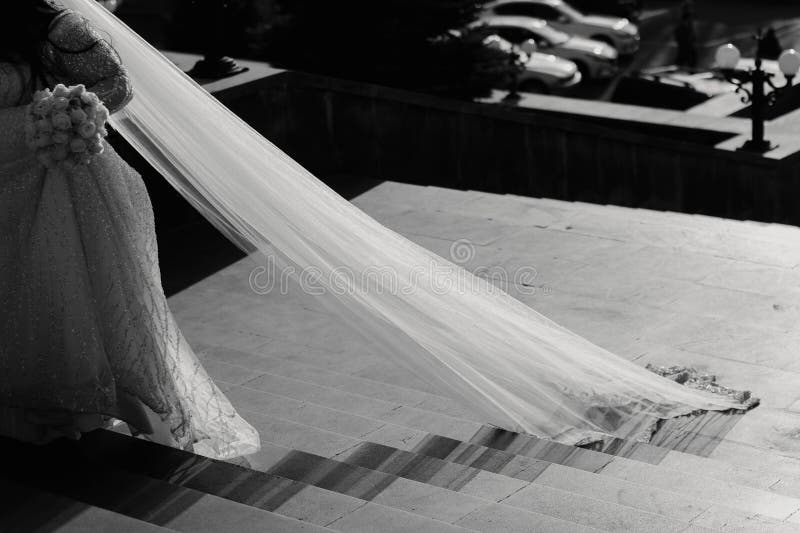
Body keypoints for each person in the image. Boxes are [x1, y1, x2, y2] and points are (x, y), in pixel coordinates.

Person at [2, 0, 756, 456]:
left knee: (98, 302)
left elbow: (118, 93)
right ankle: (45, 402)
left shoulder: (62, 26)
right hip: (14, 187)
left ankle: (102, 406)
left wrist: (63, 114)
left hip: (71, 186)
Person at [0, 0, 259, 459]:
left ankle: (79, 402)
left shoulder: (60, 27)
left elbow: (117, 83)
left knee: (64, 288)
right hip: (7, 179)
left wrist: (70, 113)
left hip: (59, 176)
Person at [674, 0, 697, 68]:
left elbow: (690, 27)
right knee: (684, 55)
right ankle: (677, 69)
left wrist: (693, 37)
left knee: (690, 56)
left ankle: (690, 70)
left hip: (686, 39)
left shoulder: (689, 20)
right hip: (684, 39)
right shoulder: (684, 19)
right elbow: (682, 28)